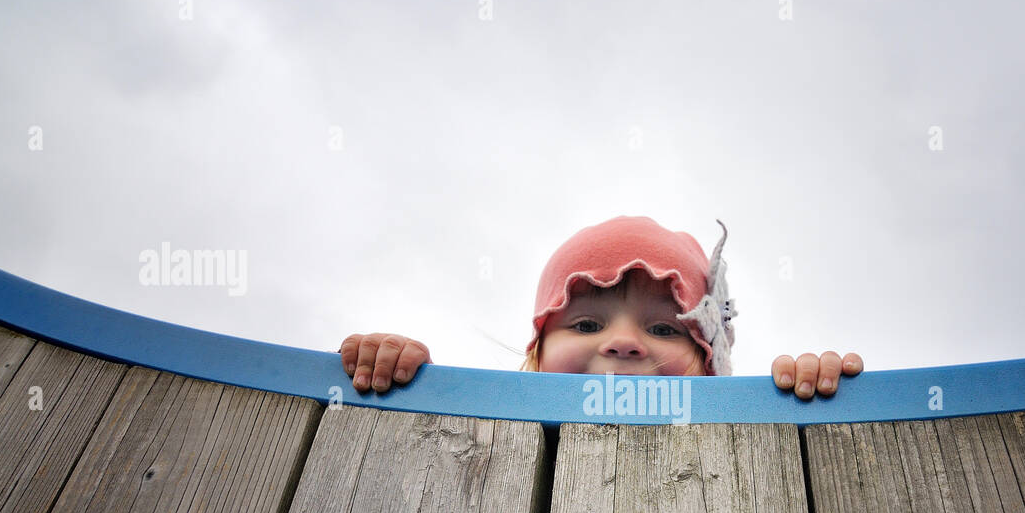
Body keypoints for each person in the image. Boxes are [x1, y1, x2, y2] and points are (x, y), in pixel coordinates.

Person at [338, 215, 862, 399]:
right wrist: (398, 369)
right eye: (586, 322)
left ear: (710, 369)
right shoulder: (498, 436)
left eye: (663, 327)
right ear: (537, 353)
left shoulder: (739, 447)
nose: (624, 341)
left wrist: (813, 394)